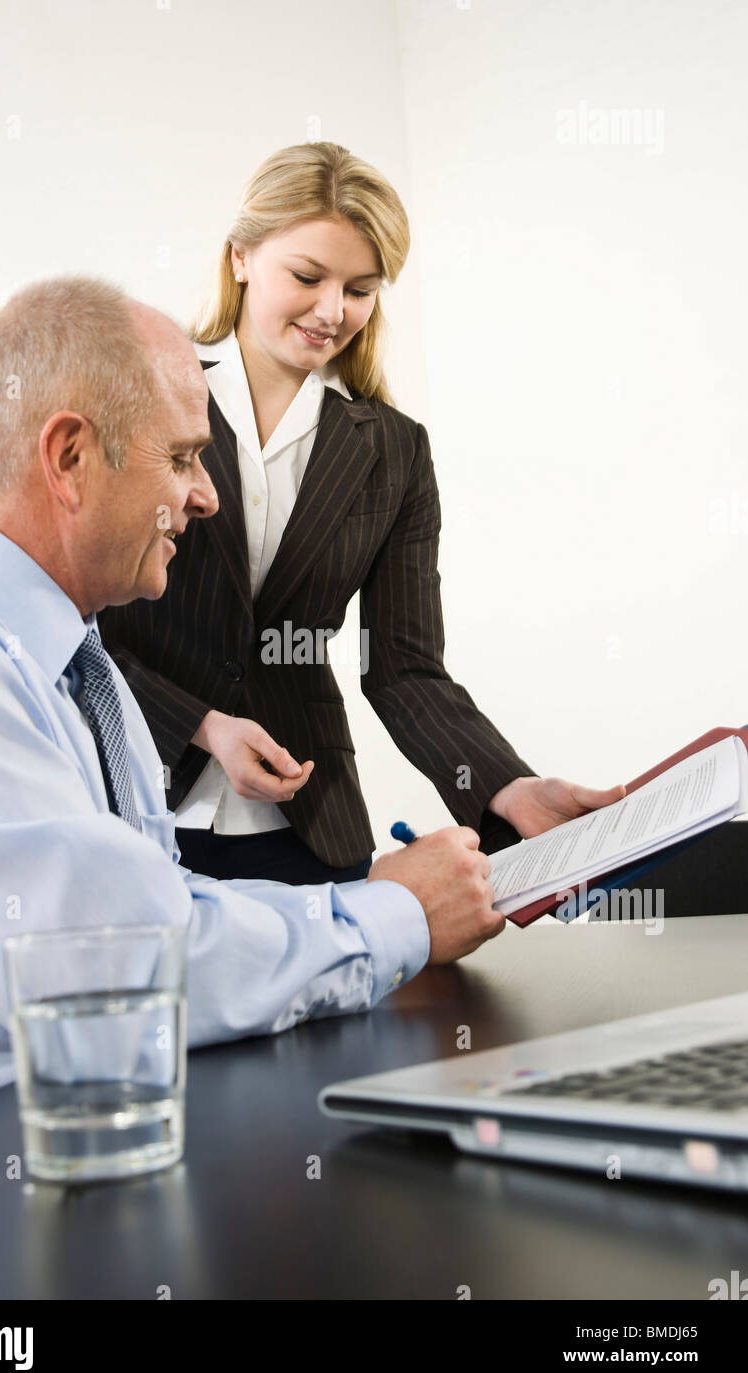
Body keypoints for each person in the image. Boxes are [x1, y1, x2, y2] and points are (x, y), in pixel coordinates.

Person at [0, 275, 506, 1137]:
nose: (205, 495)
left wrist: (368, 894)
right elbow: (120, 968)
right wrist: (396, 917)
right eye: (179, 459)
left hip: (80, 1144)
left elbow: (159, 907)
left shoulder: (81, 666)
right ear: (68, 459)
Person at [100, 142, 624, 886]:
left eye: (361, 289)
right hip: (136, 811)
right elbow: (80, 632)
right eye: (307, 276)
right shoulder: (143, 398)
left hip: (309, 833)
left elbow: (404, 668)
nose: (331, 311)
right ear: (242, 257)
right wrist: (202, 728)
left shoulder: (396, 453)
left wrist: (504, 787)